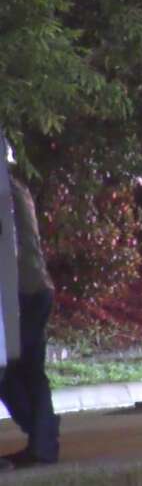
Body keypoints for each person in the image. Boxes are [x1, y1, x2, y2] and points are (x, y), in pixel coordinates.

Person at [0, 143, 59, 469]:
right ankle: (42, 433)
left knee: (15, 370)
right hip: (31, 289)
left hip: (21, 292)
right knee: (21, 369)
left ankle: (43, 436)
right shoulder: (15, 189)